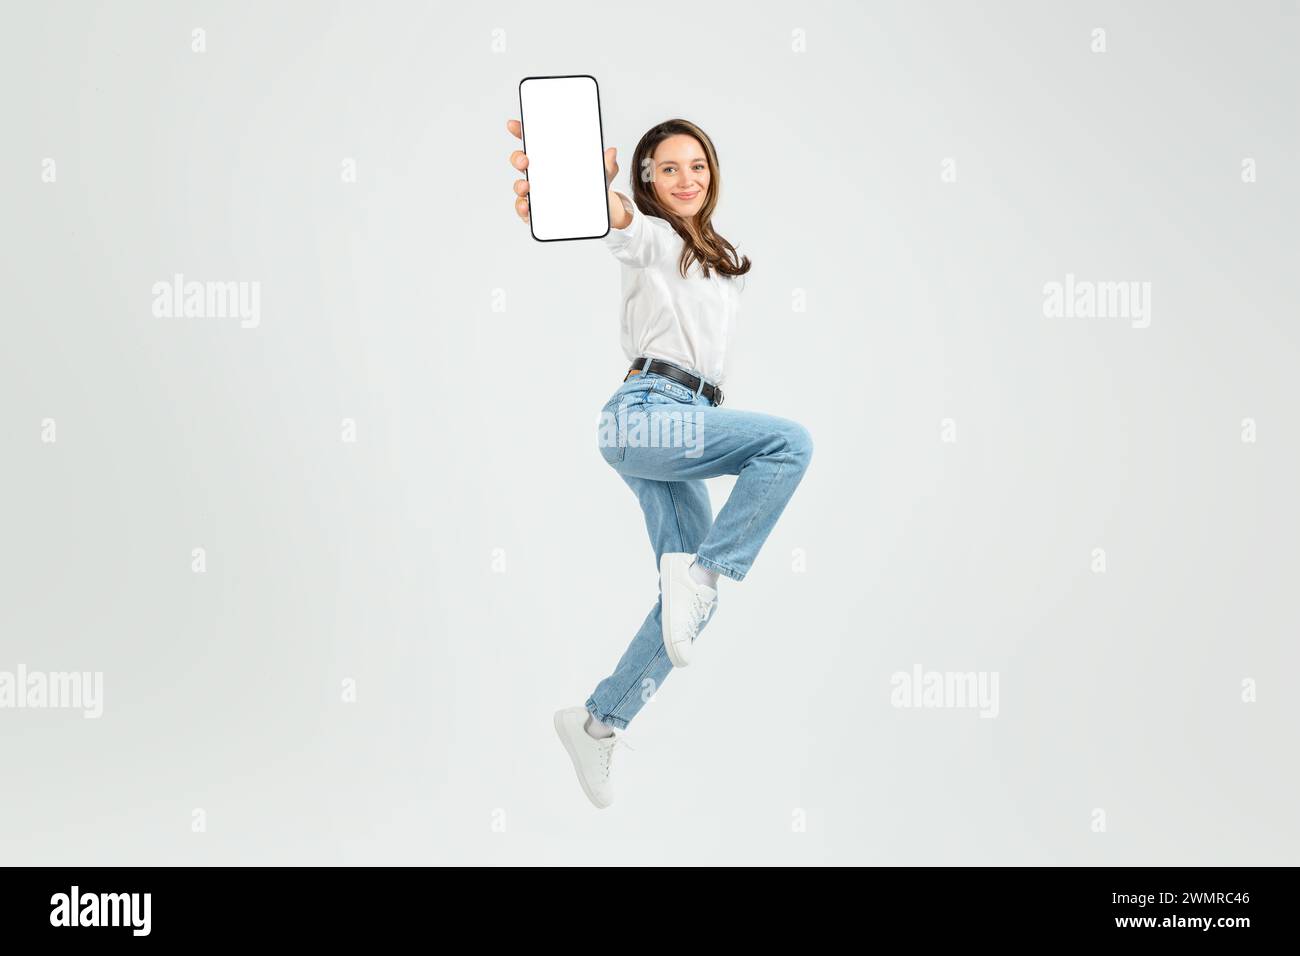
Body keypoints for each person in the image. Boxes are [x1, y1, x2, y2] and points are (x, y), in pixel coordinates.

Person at [506, 116, 814, 808]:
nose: (685, 179)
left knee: (687, 615)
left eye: (696, 165)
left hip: (686, 426)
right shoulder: (648, 238)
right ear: (647, 179)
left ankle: (596, 723)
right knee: (789, 443)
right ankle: (704, 571)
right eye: (667, 168)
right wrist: (581, 187)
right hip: (645, 412)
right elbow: (616, 219)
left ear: (712, 174)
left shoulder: (727, 259)